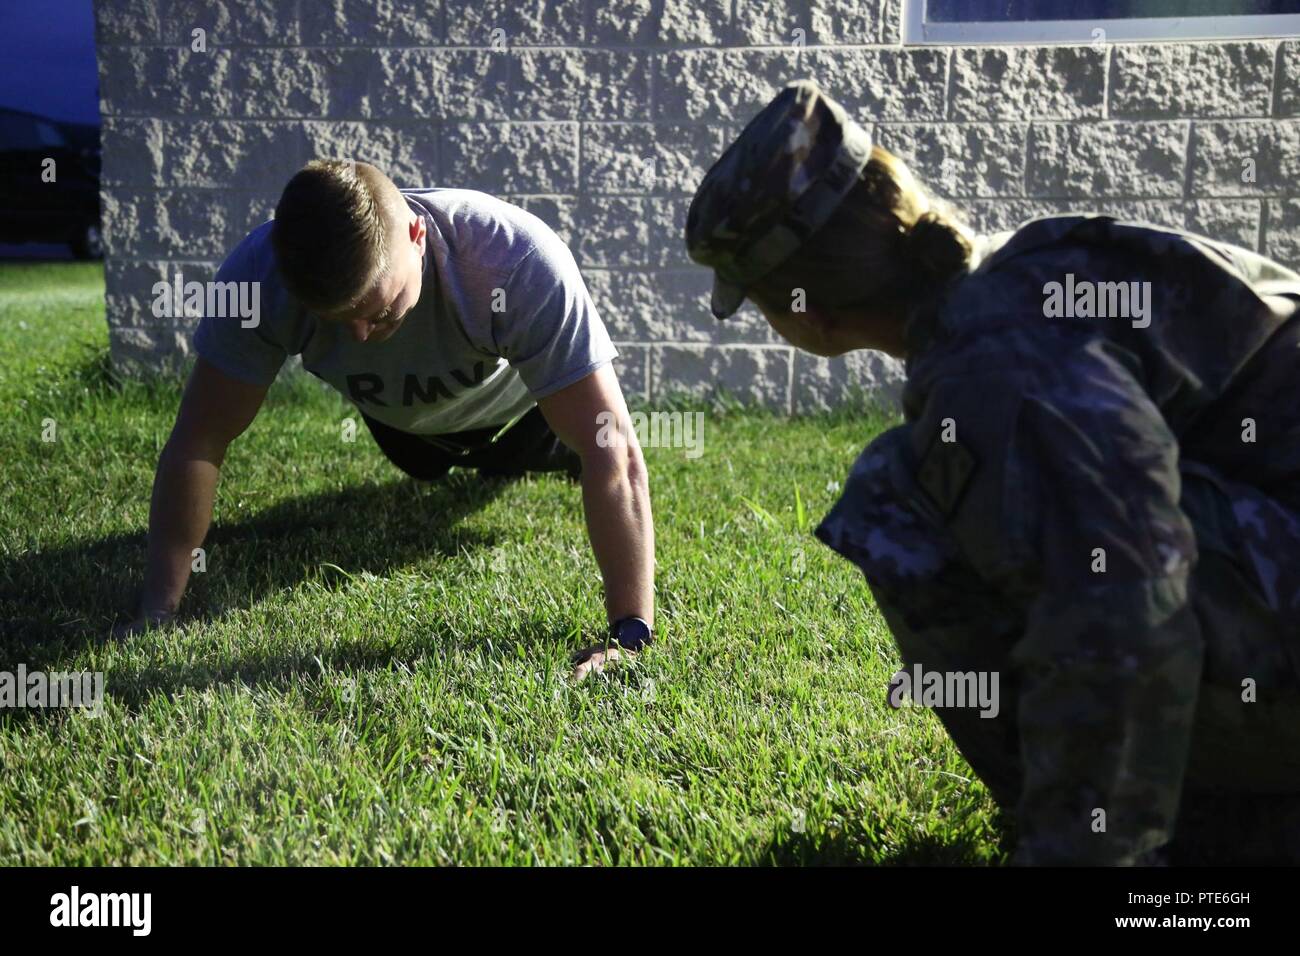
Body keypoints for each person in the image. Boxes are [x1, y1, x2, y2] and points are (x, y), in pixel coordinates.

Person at [686, 79, 1300, 864]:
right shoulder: (1025, 271)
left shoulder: (996, 368)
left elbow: (1128, 603)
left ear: (804, 311)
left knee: (895, 498)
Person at [118, 160, 655, 679]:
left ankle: (539, 459)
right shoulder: (259, 279)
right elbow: (199, 439)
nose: (360, 336)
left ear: (417, 236)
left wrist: (630, 634)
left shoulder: (513, 260)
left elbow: (615, 451)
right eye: (339, 318)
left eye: (377, 310)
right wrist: (157, 609)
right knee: (420, 463)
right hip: (407, 434)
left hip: (524, 420)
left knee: (580, 442)